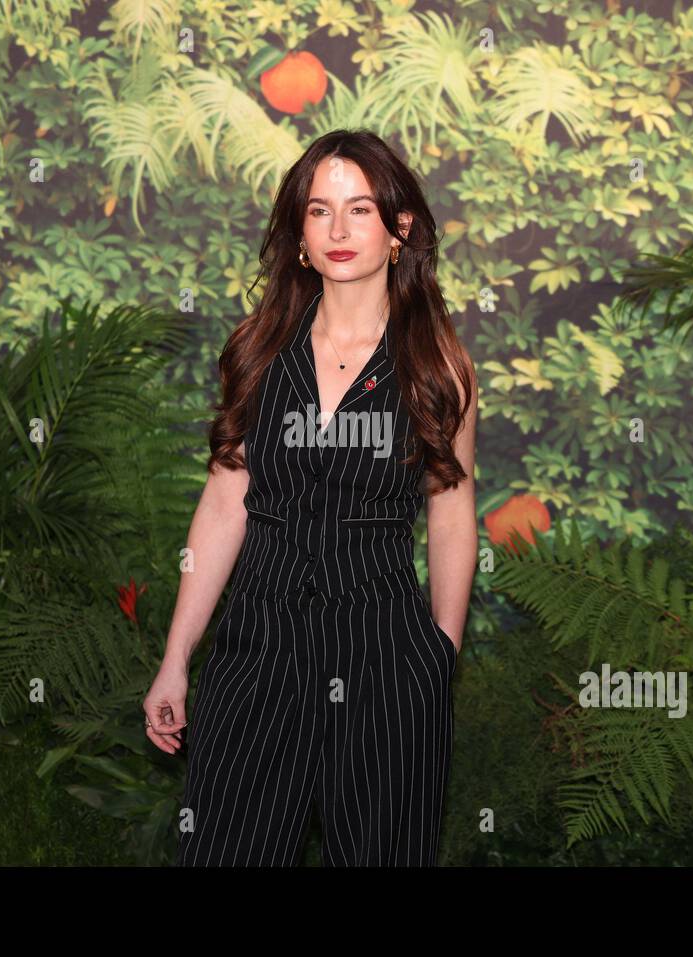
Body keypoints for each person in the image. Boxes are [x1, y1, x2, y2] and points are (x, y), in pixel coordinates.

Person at [143, 129, 478, 866]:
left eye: (359, 209)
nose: (337, 230)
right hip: (256, 651)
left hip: (386, 655)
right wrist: (177, 657)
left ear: (400, 229)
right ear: (298, 232)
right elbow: (225, 503)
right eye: (319, 210)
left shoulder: (437, 365)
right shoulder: (259, 349)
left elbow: (451, 510)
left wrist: (438, 654)